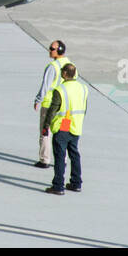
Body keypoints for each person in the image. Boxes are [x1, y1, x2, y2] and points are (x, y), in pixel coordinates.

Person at [44, 64, 87, 195]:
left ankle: (58, 185)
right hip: (76, 125)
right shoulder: (83, 88)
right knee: (74, 154)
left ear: (64, 74)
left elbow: (53, 109)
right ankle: (76, 182)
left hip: (63, 125)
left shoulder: (60, 89)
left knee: (60, 156)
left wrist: (46, 125)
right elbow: (85, 107)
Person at [34, 40, 70, 168]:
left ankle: (45, 159)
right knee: (64, 132)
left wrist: (38, 100)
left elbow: (45, 86)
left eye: (52, 48)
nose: (49, 50)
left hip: (49, 105)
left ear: (59, 51)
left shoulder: (52, 67)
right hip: (66, 107)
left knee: (45, 132)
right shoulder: (70, 65)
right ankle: (63, 160)